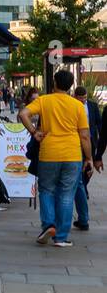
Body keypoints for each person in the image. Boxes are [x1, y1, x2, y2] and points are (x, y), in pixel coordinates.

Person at [19, 70, 91, 247]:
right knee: (67, 194)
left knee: (46, 190)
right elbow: (84, 136)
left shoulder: (44, 100)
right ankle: (61, 237)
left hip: (49, 153)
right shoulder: (78, 106)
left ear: (54, 82)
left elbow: (23, 114)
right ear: (71, 85)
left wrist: (34, 132)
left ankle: (48, 225)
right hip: (72, 155)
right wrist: (88, 158)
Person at [73, 85, 102, 231]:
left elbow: (99, 123)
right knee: (80, 182)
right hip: (76, 143)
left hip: (90, 142)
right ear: (75, 96)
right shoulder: (72, 106)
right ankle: (83, 187)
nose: (83, 101)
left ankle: (84, 184)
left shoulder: (93, 106)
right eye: (81, 98)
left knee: (84, 175)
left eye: (85, 98)